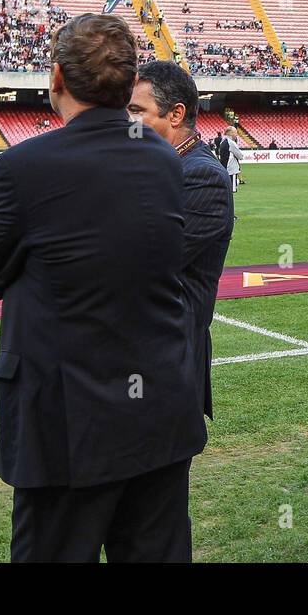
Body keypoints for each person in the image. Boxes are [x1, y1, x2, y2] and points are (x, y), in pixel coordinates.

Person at [0, 14, 206, 562]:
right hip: (159, 407)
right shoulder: (164, 158)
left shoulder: (24, 165)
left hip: (69, 424)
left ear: (57, 79)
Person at [129, 60, 234, 420]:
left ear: (175, 114)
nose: (127, 122)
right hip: (136, 355)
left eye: (136, 111)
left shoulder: (202, 176)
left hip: (166, 359)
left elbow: (144, 264)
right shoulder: (156, 167)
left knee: (157, 472)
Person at [222, 125, 243, 193]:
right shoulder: (231, 143)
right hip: (231, 169)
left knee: (226, 191)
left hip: (224, 168)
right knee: (231, 191)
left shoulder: (222, 141)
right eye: (235, 132)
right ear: (230, 133)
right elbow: (240, 156)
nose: (236, 134)